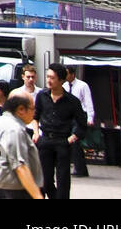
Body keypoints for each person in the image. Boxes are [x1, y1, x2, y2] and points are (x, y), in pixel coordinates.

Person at [33, 63, 86, 200]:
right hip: (45, 140)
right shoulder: (42, 95)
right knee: (44, 179)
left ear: (62, 80)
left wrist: (72, 137)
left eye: (53, 78)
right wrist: (36, 133)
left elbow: (82, 124)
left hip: (62, 141)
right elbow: (35, 116)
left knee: (63, 179)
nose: (49, 80)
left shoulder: (72, 101)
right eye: (48, 77)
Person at [0, 89, 43, 199]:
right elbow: (19, 166)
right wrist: (37, 196)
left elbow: (1, 151)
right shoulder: (14, 130)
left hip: (0, 186)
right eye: (32, 109)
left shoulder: (0, 122)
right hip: (13, 190)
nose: (34, 113)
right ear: (21, 109)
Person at [65, 66, 94, 177]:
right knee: (71, 143)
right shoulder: (64, 86)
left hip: (80, 115)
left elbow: (88, 101)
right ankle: (81, 168)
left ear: (72, 74)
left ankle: (79, 168)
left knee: (75, 141)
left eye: (67, 74)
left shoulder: (82, 86)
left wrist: (90, 118)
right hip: (68, 116)